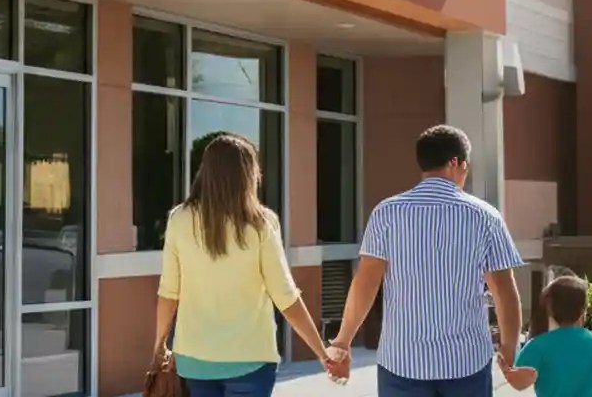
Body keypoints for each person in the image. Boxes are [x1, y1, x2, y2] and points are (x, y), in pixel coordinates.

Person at [325, 125, 524, 396]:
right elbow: (503, 289)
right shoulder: (485, 217)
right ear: (455, 162)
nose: (466, 173)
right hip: (465, 362)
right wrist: (509, 349)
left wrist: (342, 343)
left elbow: (366, 282)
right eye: (466, 166)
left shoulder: (387, 213)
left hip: (402, 362)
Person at [153, 133, 338, 396]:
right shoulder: (261, 223)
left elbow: (168, 293)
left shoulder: (179, 220)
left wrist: (159, 346)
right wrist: (321, 351)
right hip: (251, 361)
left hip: (194, 360)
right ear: (248, 175)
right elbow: (286, 298)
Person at [501, 275, 592, 397]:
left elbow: (519, 383)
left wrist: (507, 371)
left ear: (550, 310)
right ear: (583, 312)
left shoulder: (538, 346)